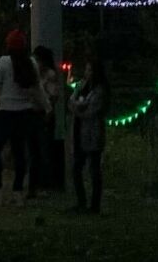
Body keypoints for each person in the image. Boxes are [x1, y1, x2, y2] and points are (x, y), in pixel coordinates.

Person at [0, 30, 43, 200]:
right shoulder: (31, 63)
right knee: (19, 152)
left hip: (4, 113)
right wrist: (46, 107)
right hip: (25, 113)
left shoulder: (3, 63)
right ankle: (17, 190)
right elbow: (38, 89)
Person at [68, 54, 108, 214]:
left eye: (90, 70)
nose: (87, 72)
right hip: (79, 131)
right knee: (77, 168)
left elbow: (91, 110)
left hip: (93, 132)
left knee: (94, 169)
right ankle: (81, 201)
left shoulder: (100, 90)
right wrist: (78, 106)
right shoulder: (82, 85)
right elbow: (72, 101)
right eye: (86, 69)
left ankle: (94, 205)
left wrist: (79, 108)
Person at [33, 44, 66, 193]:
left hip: (44, 114)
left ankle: (47, 181)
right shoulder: (36, 75)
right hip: (36, 112)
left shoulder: (50, 75)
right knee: (37, 148)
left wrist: (48, 112)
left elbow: (53, 96)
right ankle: (39, 180)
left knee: (45, 147)